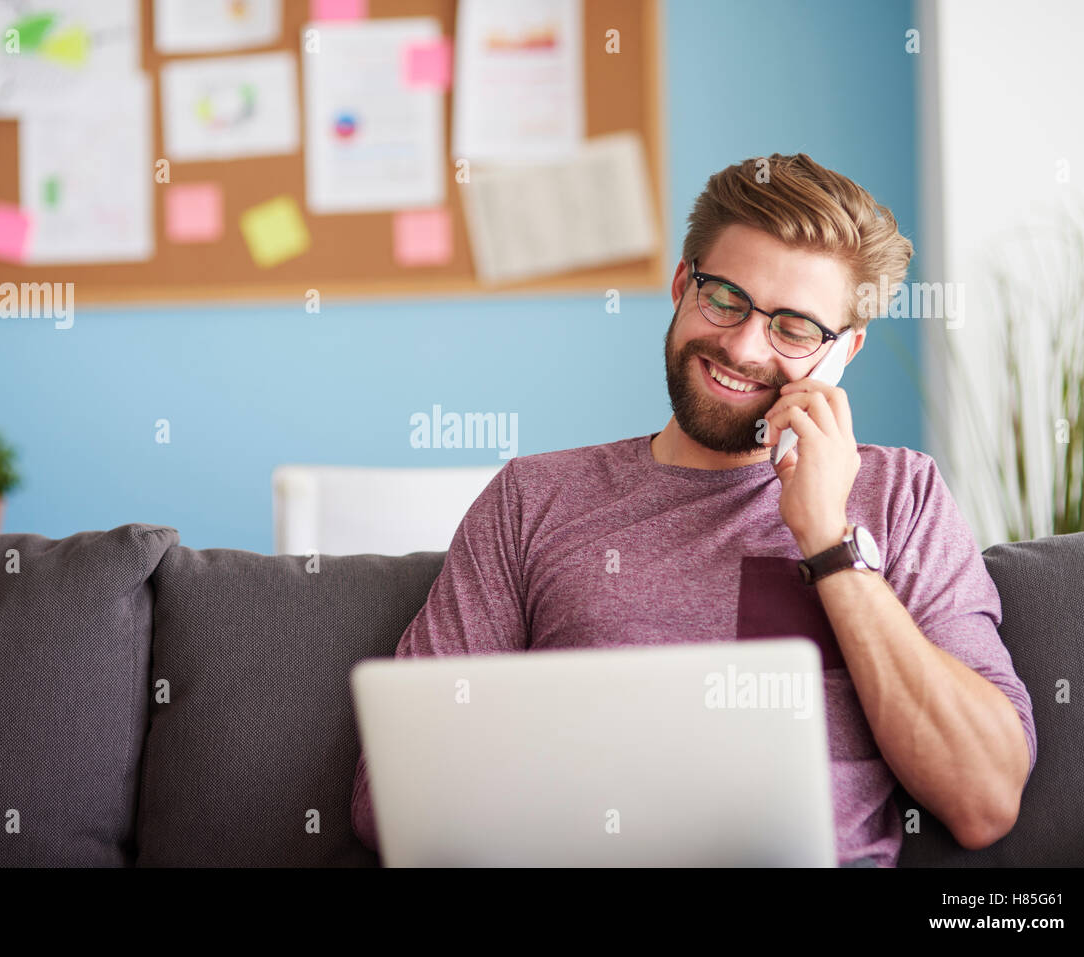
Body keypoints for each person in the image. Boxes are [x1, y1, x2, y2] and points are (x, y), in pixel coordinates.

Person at [351, 153, 1036, 867]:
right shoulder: (532, 498)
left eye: (795, 328)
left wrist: (830, 542)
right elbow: (389, 797)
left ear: (843, 352)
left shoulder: (902, 495)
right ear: (683, 285)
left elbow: (982, 799)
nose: (742, 346)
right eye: (725, 299)